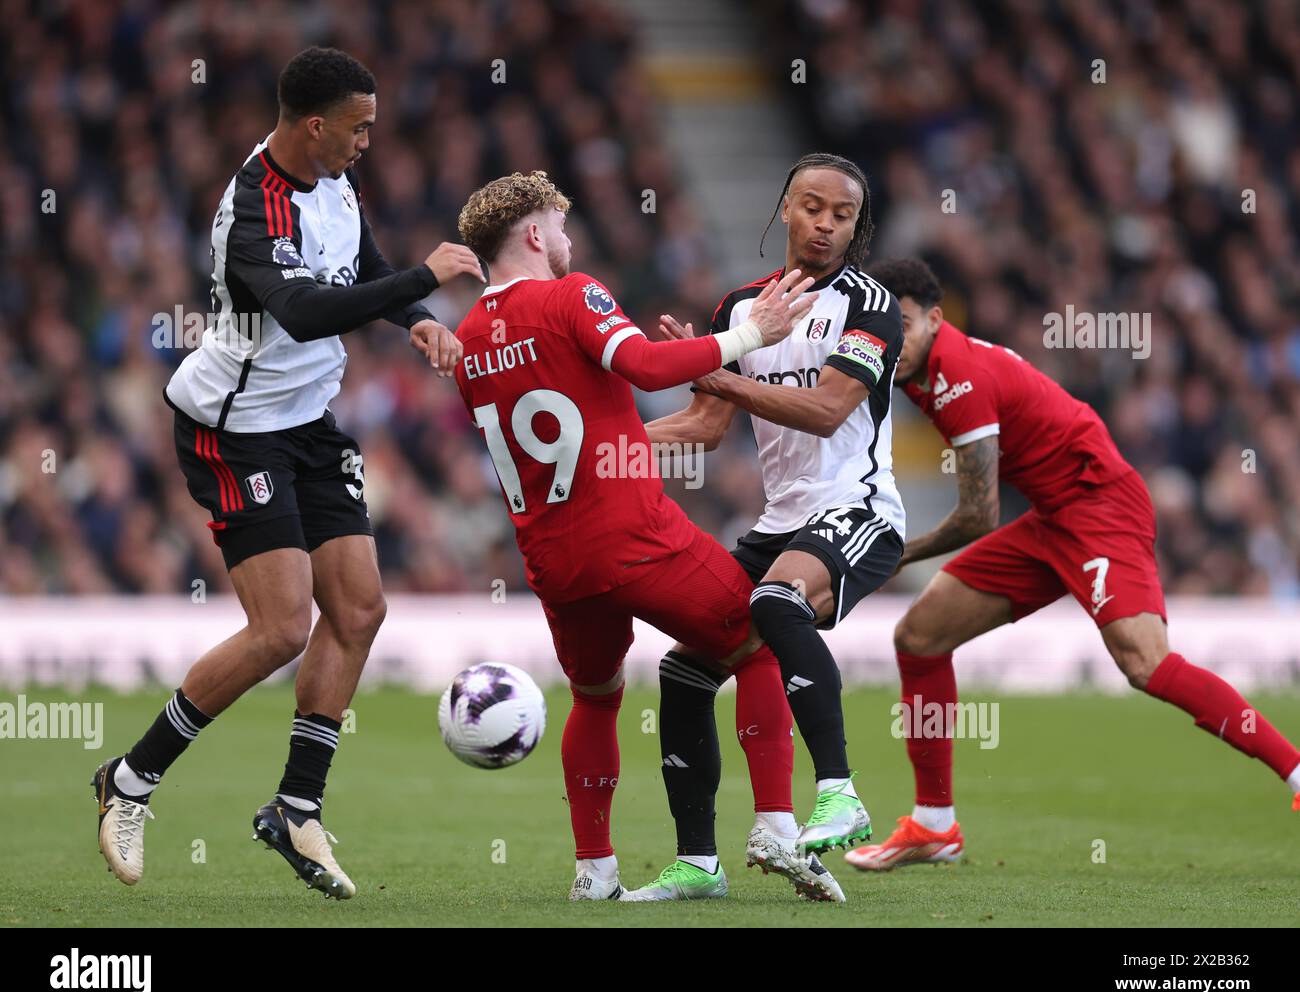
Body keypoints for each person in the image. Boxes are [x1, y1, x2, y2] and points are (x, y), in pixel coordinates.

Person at [91, 46, 484, 899]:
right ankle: (129, 779)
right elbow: (304, 313)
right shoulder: (252, 206)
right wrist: (430, 277)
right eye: (358, 129)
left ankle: (296, 808)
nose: (367, 143)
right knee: (280, 629)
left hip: (306, 424)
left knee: (359, 608)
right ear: (316, 126)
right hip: (234, 432)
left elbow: (367, 273)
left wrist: (415, 315)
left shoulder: (335, 182)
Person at [452, 171, 844, 901]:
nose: (568, 240)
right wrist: (750, 333)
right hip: (631, 532)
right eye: (559, 226)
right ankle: (774, 827)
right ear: (535, 235)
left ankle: (594, 872)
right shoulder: (571, 294)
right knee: (759, 640)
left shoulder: (469, 338)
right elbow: (644, 365)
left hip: (550, 556)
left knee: (596, 697)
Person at [844, 257, 1300, 872]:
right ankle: (935, 825)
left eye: (903, 324)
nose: (892, 342)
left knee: (1145, 662)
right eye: (884, 328)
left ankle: (1295, 770)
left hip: (1098, 503)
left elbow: (979, 515)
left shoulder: (961, 376)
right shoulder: (910, 366)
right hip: (1051, 518)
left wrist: (897, 555)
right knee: (920, 636)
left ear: (934, 318)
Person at [642, 153, 905, 860]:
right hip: (782, 520)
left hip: (860, 508)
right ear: (784, 209)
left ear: (857, 228)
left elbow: (824, 411)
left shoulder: (870, 306)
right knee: (686, 668)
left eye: (842, 215)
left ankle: (840, 792)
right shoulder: (740, 310)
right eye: (812, 207)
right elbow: (702, 425)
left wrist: (720, 380)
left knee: (776, 602)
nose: (824, 224)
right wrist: (603, 445)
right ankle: (698, 863)